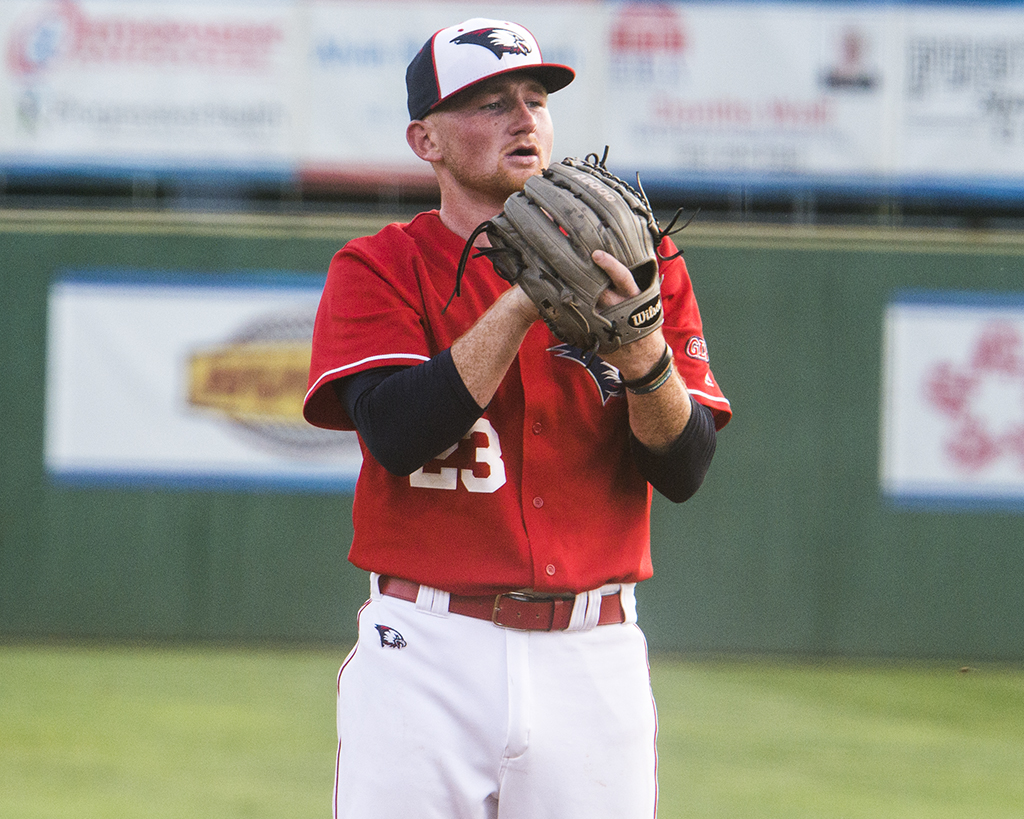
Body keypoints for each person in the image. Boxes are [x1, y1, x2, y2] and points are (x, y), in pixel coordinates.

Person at [303, 17, 731, 819]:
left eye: (535, 98)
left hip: (591, 652)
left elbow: (684, 468)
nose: (523, 117)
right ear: (425, 140)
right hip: (426, 648)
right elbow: (396, 434)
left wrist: (644, 352)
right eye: (490, 102)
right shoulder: (379, 266)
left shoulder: (640, 262)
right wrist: (527, 294)